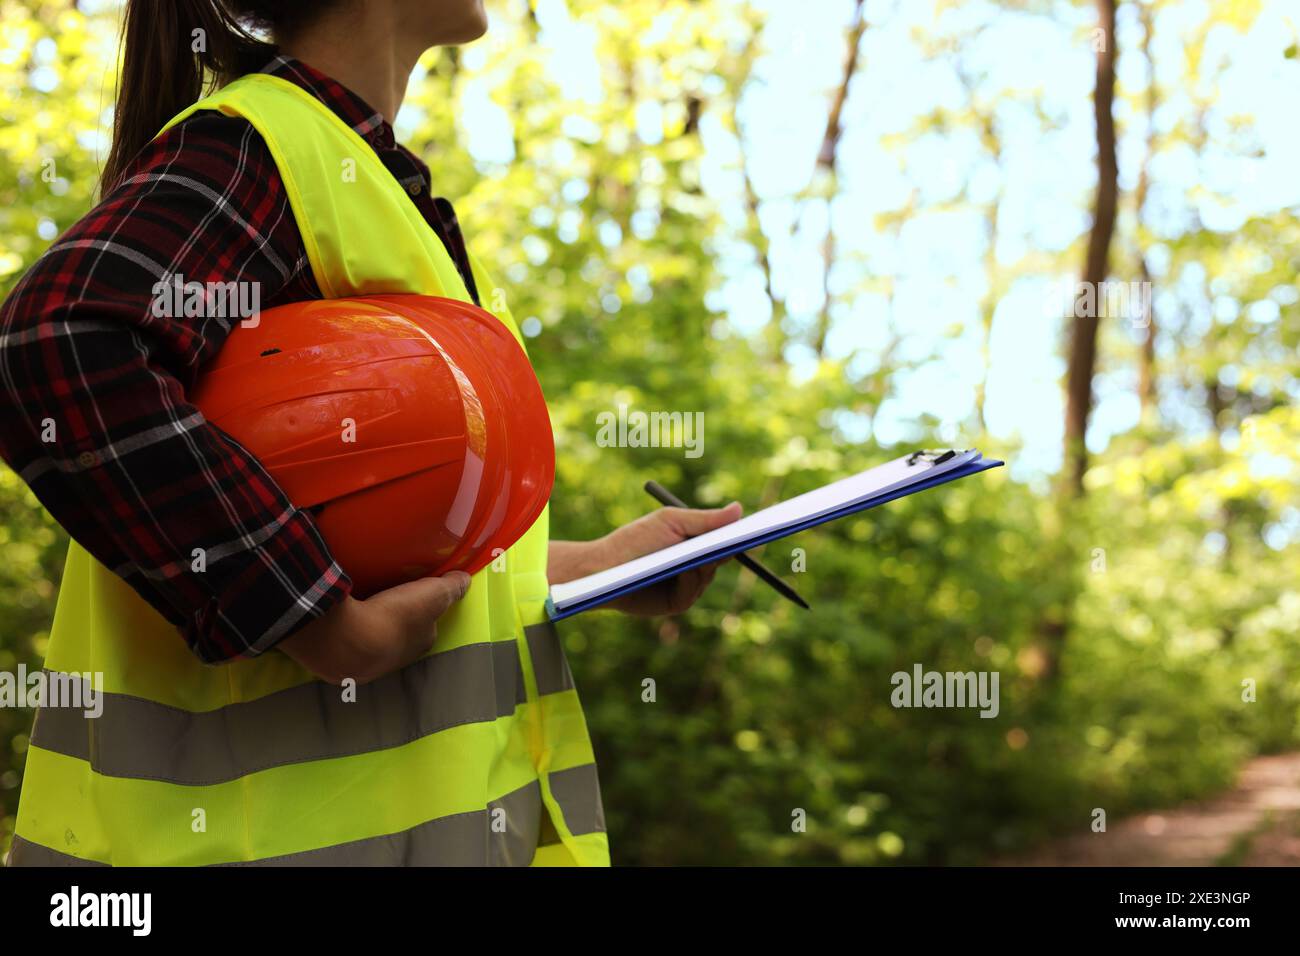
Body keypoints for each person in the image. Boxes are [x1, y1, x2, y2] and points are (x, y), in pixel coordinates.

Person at [0, 0, 740, 866]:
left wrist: (592, 568)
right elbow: (52, 344)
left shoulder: (370, 187)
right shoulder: (261, 150)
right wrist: (311, 623)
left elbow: (363, 543)